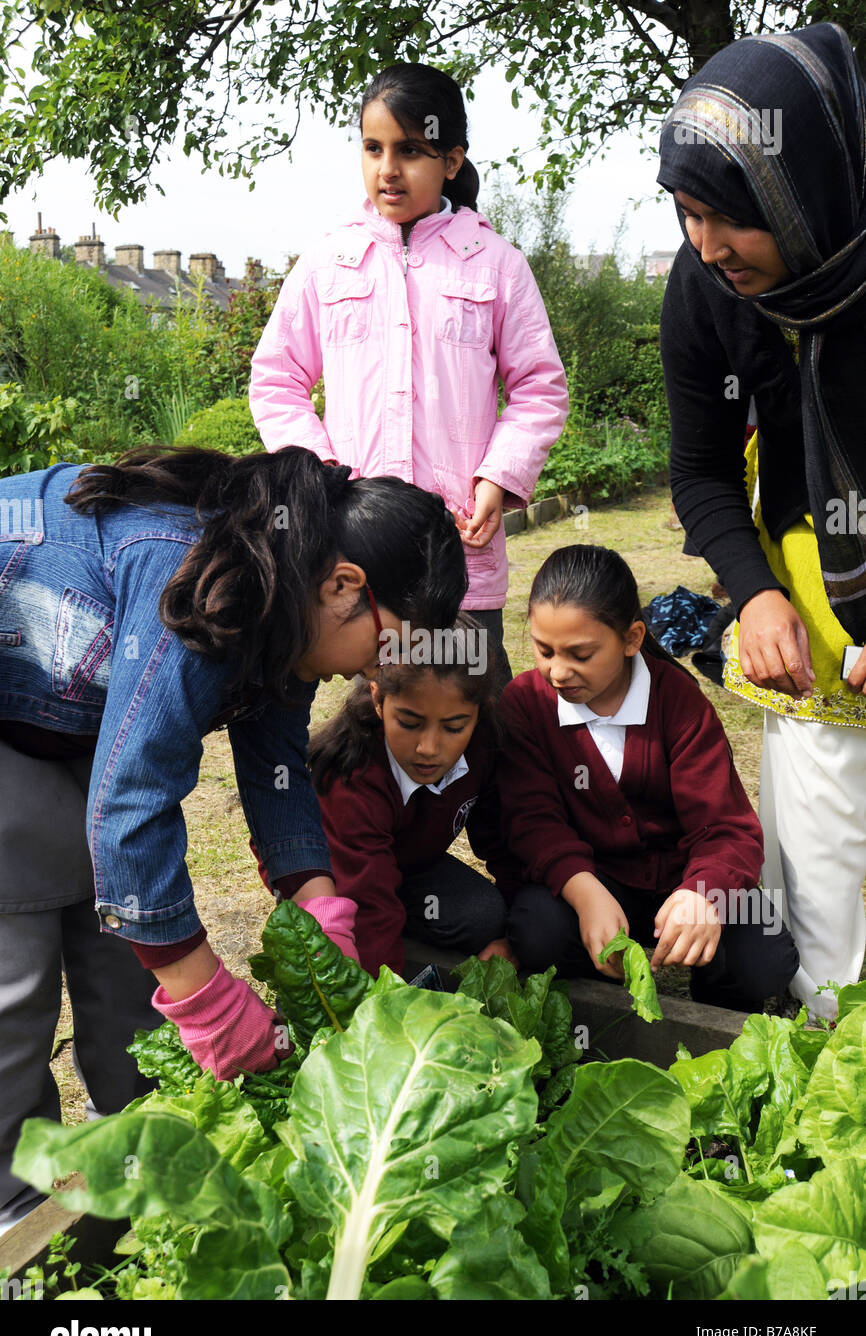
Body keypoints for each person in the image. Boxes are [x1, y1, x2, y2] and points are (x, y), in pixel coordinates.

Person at [0, 443, 465, 1231]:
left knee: (130, 955)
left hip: (67, 718)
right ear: (346, 586)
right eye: (389, 647)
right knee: (16, 965)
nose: (377, 678)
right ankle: (15, 1217)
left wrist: (320, 906)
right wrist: (210, 998)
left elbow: (277, 763)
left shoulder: (292, 586)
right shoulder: (199, 571)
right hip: (18, 708)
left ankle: (139, 1185)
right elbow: (130, 808)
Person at [657, 21, 866, 1018]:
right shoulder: (703, 288)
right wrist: (754, 598)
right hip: (811, 622)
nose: (706, 246)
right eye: (686, 215)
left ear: (798, 189)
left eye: (726, 218)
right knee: (823, 928)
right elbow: (698, 473)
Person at [249, 61, 569, 684]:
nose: (387, 169)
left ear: (452, 160)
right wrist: (324, 478)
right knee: (376, 725)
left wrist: (498, 478)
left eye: (410, 151)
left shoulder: (496, 265)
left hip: (460, 554)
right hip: (354, 554)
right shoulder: (327, 264)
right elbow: (276, 380)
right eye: (373, 148)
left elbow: (538, 387)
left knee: (475, 720)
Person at [497, 545, 799, 1013]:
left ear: (632, 638)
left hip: (680, 879)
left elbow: (726, 827)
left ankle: (713, 1005)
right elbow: (532, 823)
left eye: (580, 654)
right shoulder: (525, 704)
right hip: (593, 879)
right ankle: (598, 998)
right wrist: (585, 893)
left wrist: (703, 895)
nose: (557, 671)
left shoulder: (677, 699)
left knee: (765, 959)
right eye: (544, 650)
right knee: (538, 930)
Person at [254, 616, 520, 977]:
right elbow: (369, 901)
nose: (429, 748)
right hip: (332, 867)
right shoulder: (352, 778)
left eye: (454, 727)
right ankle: (316, 924)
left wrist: (517, 935)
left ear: (478, 713)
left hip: (403, 861)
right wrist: (385, 1003)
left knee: (483, 915)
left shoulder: (485, 741)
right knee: (339, 946)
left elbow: (500, 838)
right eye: (409, 723)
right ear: (378, 700)